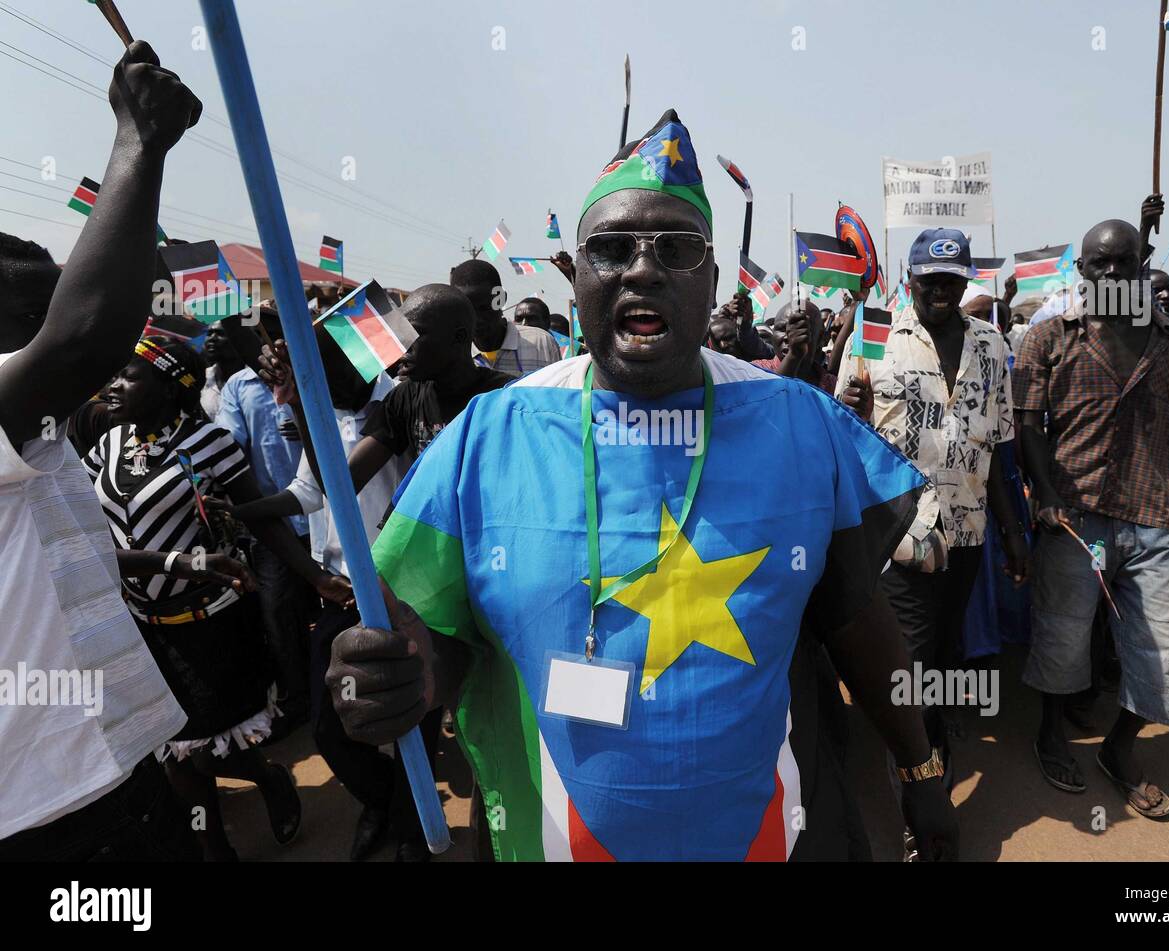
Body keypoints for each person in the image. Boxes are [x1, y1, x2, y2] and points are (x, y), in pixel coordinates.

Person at [326, 108, 958, 861]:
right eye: (613, 248)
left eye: (676, 247)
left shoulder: (802, 424)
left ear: (715, 279)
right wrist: (405, 674)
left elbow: (856, 616)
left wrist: (920, 767)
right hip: (547, 840)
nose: (644, 267)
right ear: (577, 280)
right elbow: (441, 638)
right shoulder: (485, 438)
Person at [0, 41, 209, 862]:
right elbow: (85, 339)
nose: (49, 320)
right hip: (54, 812)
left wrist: (185, 567)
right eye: (31, 310)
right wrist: (139, 141)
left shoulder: (35, 440)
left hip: (97, 776)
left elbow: (47, 559)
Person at [86, 336, 353, 860]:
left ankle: (268, 777)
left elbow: (264, 516)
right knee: (174, 751)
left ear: (171, 386)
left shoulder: (210, 443)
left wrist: (315, 577)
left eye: (129, 376)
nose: (114, 386)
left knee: (212, 752)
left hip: (209, 621)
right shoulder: (108, 443)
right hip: (143, 625)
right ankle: (216, 852)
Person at [1014, 206, 1169, 819]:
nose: (1113, 269)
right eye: (1100, 261)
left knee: (1162, 652)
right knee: (1062, 638)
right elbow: (1028, 426)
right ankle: (1051, 733)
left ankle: (1119, 749)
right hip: (1074, 515)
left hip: (1154, 514)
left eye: (1125, 259)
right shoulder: (1048, 336)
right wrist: (1045, 491)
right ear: (1082, 269)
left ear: (1144, 265)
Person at [209, 326, 413, 861]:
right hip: (342, 592)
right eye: (304, 372)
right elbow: (310, 492)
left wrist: (299, 409)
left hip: (404, 588)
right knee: (329, 727)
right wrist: (244, 511)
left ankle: (412, 827)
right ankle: (388, 800)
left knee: (415, 717)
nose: (309, 381)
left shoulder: (399, 407)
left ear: (357, 362)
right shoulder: (324, 410)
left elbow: (339, 484)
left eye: (317, 370)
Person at [838, 230, 1028, 788]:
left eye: (953, 279)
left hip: (967, 529)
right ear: (910, 279)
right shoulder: (872, 334)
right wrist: (849, 407)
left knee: (945, 650)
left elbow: (998, 442)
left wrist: (1013, 531)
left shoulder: (991, 343)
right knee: (914, 660)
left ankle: (932, 735)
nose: (942, 290)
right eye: (931, 279)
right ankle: (920, 789)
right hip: (898, 529)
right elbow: (846, 434)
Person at [216, 305, 317, 731]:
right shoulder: (238, 387)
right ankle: (297, 700)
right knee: (278, 613)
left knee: (338, 605)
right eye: (256, 337)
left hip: (326, 520)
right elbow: (230, 445)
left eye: (273, 334)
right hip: (273, 524)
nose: (266, 344)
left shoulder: (317, 378)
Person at [452, 258, 562, 377]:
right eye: (469, 311)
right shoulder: (452, 353)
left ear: (501, 300)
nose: (477, 319)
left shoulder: (541, 344)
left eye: (484, 308)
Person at [752, 299, 837, 393]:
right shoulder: (756, 371)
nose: (789, 337)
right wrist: (794, 355)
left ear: (820, 338)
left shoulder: (832, 386)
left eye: (800, 330)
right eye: (782, 329)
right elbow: (770, 400)